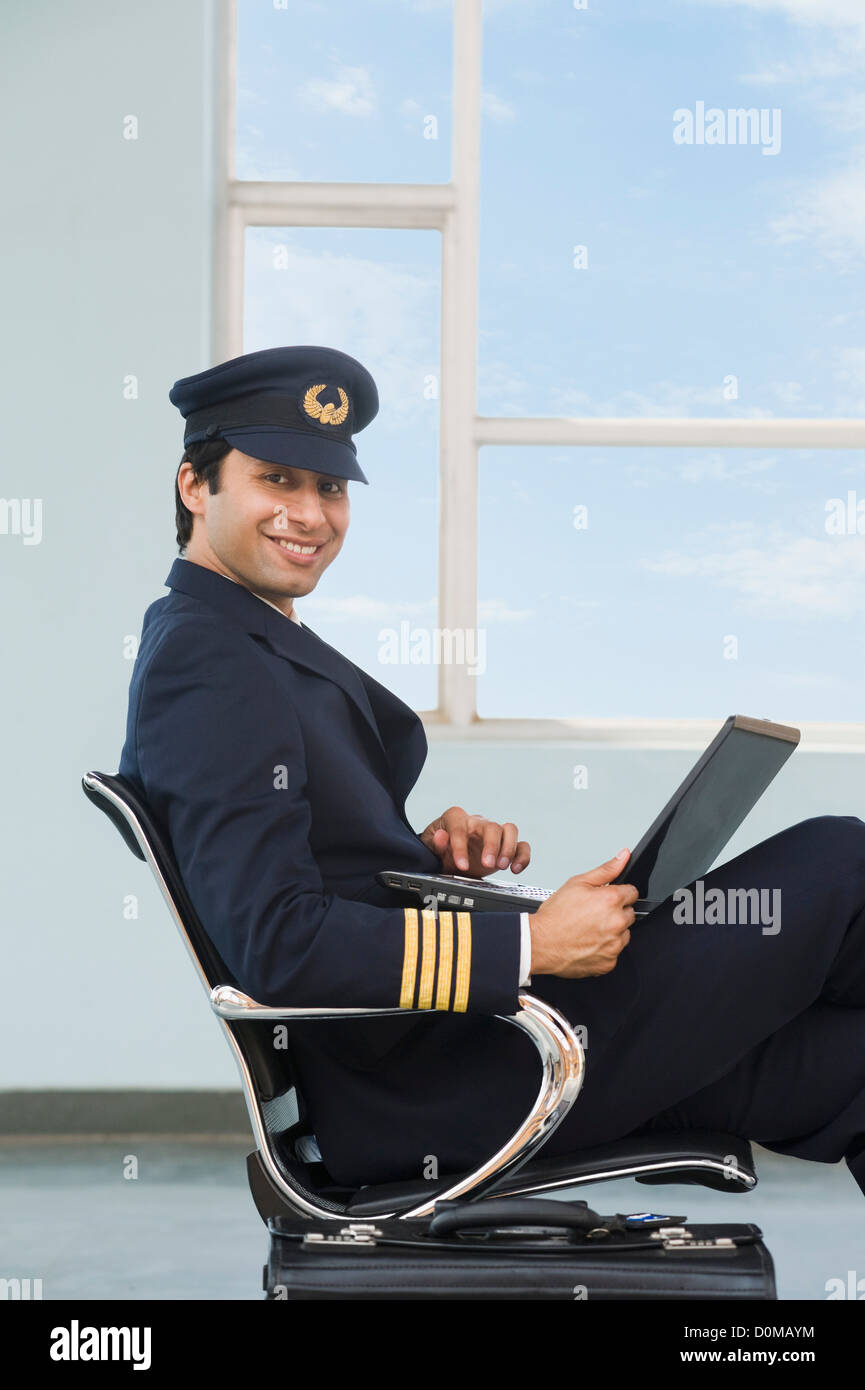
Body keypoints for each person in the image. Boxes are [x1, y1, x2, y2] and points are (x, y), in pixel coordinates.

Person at [118, 345, 865, 1196]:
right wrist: (530, 941)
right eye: (277, 481)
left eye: (329, 488)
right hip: (440, 1080)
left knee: (847, 1065)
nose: (311, 513)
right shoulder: (210, 661)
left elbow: (310, 865)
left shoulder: (243, 641)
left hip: (446, 1054)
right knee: (839, 861)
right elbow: (276, 945)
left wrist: (424, 858)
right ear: (194, 486)